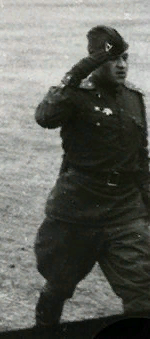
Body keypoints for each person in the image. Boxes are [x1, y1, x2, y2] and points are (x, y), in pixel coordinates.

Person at [33, 26, 150, 326]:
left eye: (125, 58)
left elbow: (140, 159)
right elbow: (45, 117)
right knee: (58, 286)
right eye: (113, 59)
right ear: (96, 61)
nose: (122, 65)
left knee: (143, 292)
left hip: (124, 210)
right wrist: (75, 75)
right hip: (77, 211)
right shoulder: (74, 95)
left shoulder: (134, 98)